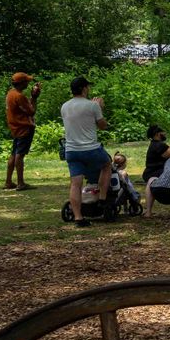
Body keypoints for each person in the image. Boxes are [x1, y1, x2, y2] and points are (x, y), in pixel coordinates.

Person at [60, 76, 111, 227]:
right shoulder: (92, 106)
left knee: (76, 183)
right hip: (91, 149)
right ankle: (102, 199)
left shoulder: (64, 106)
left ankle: (78, 217)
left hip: (72, 150)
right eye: (87, 87)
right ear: (83, 88)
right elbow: (103, 126)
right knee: (107, 165)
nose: (89, 89)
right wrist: (100, 108)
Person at [4, 72, 41, 191]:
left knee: (14, 154)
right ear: (22, 83)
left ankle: (8, 181)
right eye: (26, 81)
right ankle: (21, 183)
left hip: (15, 128)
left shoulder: (10, 93)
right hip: (24, 128)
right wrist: (34, 97)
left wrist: (31, 97)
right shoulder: (19, 96)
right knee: (20, 155)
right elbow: (31, 111)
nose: (28, 83)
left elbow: (24, 108)